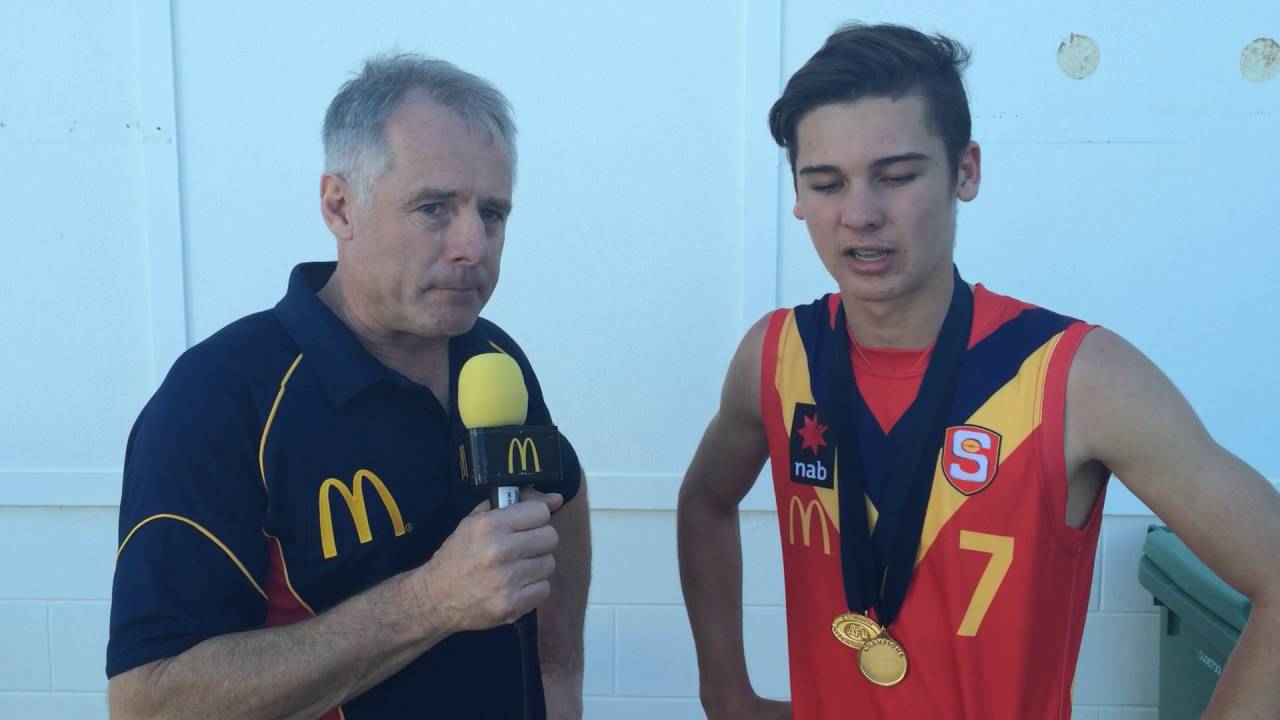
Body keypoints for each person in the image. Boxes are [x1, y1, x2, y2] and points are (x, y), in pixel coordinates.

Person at [677, 22, 1280, 719]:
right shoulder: (776, 357)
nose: (859, 214)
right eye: (826, 183)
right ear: (798, 196)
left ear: (966, 170)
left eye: (896, 177)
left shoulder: (1081, 377)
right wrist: (725, 692)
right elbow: (705, 500)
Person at [106, 54, 590, 720]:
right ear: (340, 206)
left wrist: (559, 678)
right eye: (434, 208)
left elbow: (562, 488)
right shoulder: (219, 398)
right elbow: (147, 702)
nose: (473, 245)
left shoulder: (496, 357)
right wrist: (429, 601)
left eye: (493, 213)